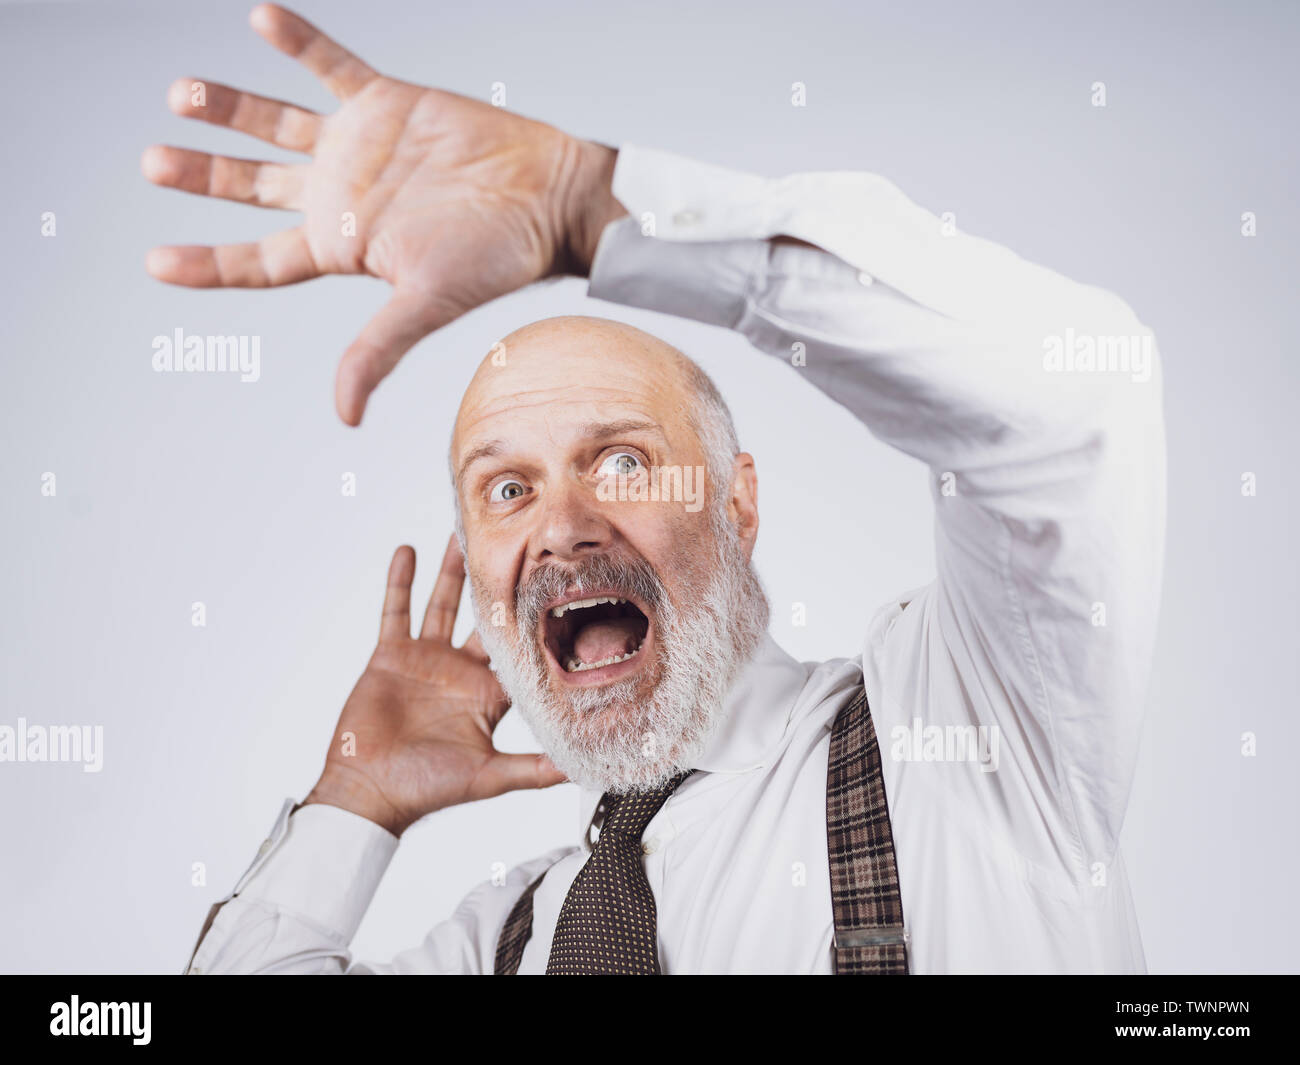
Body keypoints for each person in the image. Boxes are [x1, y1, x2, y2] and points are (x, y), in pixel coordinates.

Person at [148, 5, 1166, 974]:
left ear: (737, 504)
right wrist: (353, 801)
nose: (560, 528)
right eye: (506, 489)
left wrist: (581, 205)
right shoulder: (513, 938)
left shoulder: (965, 736)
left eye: (621, 463)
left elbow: (1071, 402)